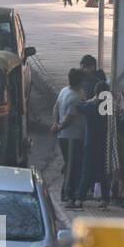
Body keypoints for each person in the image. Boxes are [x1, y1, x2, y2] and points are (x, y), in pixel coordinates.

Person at [73, 79, 110, 208]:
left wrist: (89, 99)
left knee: (86, 171)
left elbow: (79, 107)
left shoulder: (91, 106)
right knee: (103, 173)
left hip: (90, 144)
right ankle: (105, 199)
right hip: (103, 143)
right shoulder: (108, 109)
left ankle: (80, 199)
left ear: (96, 92)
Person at [52, 69, 85, 202]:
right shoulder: (75, 98)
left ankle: (69, 191)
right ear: (80, 82)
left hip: (64, 136)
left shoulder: (64, 91)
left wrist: (55, 124)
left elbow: (55, 107)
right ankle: (67, 193)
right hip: (72, 136)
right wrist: (59, 127)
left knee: (69, 164)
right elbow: (69, 118)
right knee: (72, 166)